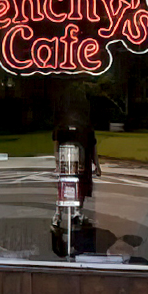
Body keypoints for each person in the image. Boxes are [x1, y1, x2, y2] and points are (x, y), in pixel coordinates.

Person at [50, 86, 100, 258]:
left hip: (79, 163)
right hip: (69, 163)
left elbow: (92, 146)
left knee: (80, 186)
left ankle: (74, 212)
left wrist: (96, 165)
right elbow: (57, 144)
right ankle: (60, 213)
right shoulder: (64, 126)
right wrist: (58, 162)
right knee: (67, 187)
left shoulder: (84, 127)